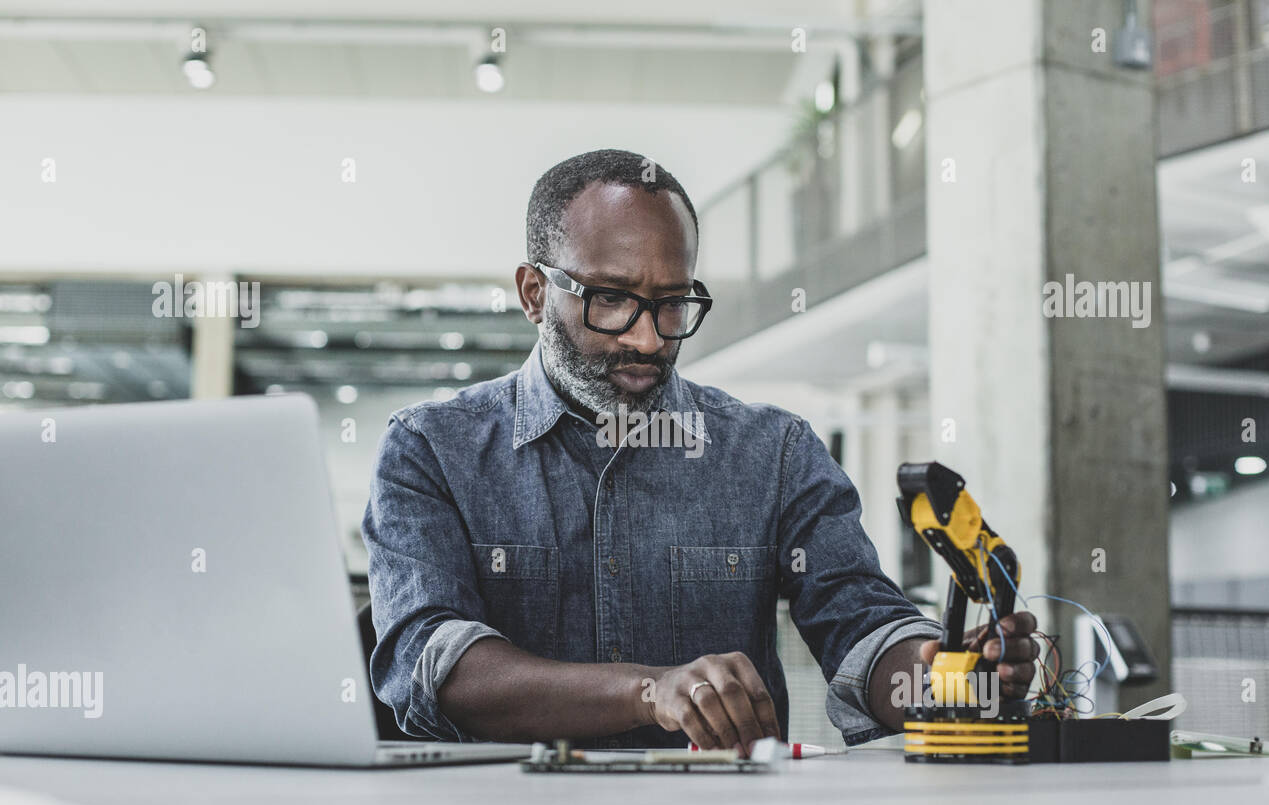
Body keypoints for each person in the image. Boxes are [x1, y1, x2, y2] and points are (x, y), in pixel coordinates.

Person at [361, 148, 1038, 755]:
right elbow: (432, 662)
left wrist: (937, 674)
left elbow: (860, 624)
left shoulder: (774, 453)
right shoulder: (433, 450)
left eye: (672, 303)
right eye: (612, 301)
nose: (649, 340)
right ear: (535, 293)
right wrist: (650, 691)